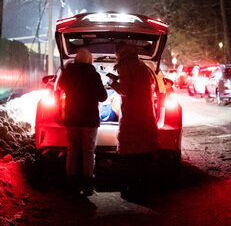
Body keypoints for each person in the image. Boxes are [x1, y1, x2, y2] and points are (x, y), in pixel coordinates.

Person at [109, 42, 160, 200]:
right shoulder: (142, 66)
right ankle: (145, 189)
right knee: (144, 157)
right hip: (145, 115)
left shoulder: (125, 66)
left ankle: (131, 191)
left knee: (131, 157)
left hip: (132, 116)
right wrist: (118, 79)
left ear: (120, 53)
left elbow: (125, 90)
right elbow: (142, 85)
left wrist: (113, 83)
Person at [58, 48, 108, 196]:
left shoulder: (68, 73)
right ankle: (87, 184)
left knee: (73, 150)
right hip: (89, 119)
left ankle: (71, 184)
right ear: (90, 60)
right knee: (88, 151)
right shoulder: (94, 75)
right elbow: (103, 97)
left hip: (72, 118)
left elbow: (61, 86)